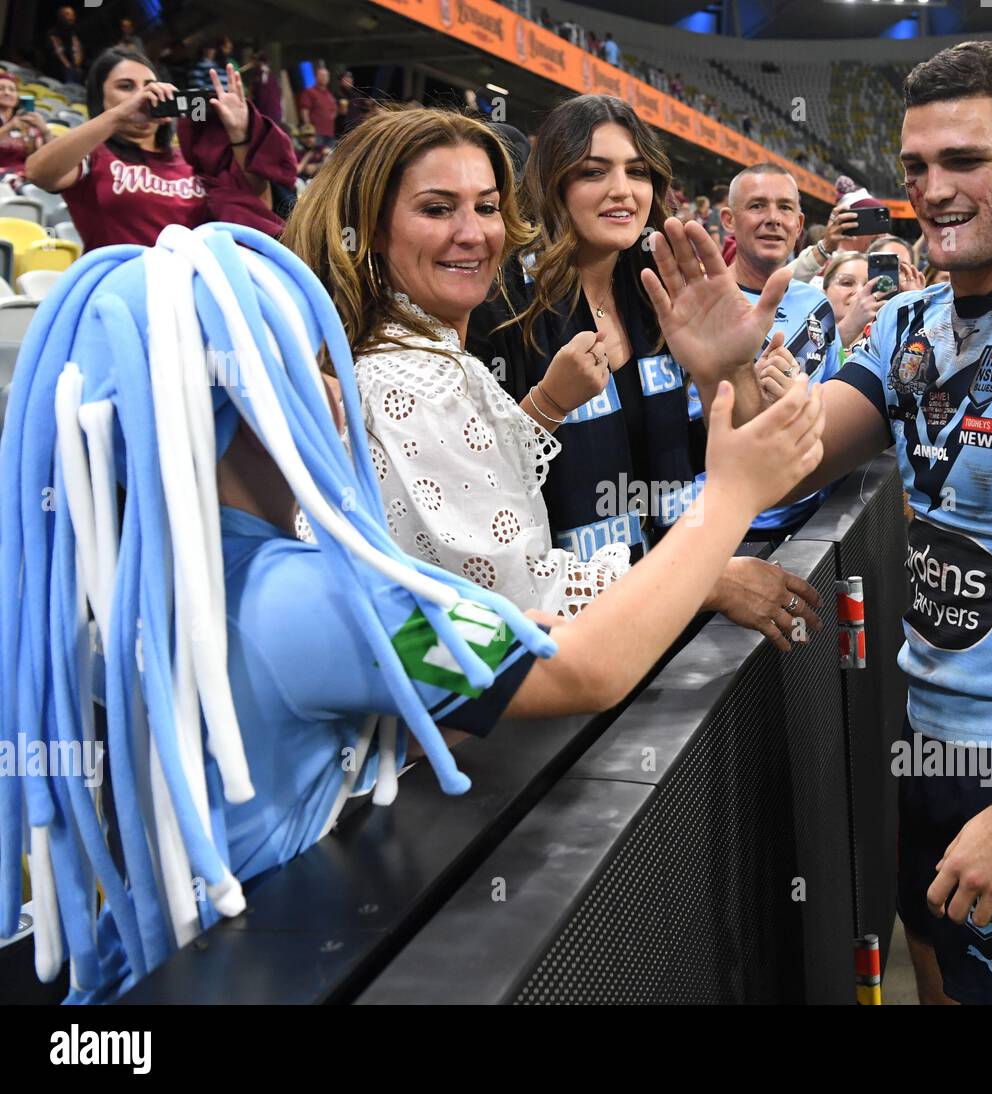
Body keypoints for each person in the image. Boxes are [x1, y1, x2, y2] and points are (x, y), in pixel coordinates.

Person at [1, 218, 823, 1003]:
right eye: (308, 365)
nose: (336, 387)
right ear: (242, 402)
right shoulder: (310, 594)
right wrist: (726, 505)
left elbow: (490, 662)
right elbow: (581, 667)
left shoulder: (120, 584)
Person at [642, 39, 992, 1005]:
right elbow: (795, 464)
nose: (933, 189)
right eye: (916, 166)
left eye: (965, 161)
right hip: (927, 739)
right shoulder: (912, 325)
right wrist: (725, 369)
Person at [471, 95, 821, 648]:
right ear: (552, 184)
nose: (622, 190)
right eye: (593, 171)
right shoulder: (501, 303)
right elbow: (478, 496)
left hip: (672, 626)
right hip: (564, 645)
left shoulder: (660, 289)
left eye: (637, 172)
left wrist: (729, 367)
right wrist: (708, 581)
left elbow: (745, 451)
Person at [284, 107, 631, 617]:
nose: (473, 234)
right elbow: (527, 609)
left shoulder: (399, 348)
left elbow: (460, 483)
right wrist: (703, 576)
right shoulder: (412, 379)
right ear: (372, 229)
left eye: (487, 207)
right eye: (437, 209)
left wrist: (550, 403)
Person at [693, 162, 843, 535]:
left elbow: (838, 404)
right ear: (728, 219)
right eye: (757, 206)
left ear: (799, 223)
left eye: (785, 208)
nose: (773, 219)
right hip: (721, 528)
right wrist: (744, 392)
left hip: (808, 520)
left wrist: (799, 399)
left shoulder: (817, 304)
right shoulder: (698, 306)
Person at [24, 48, 295, 251]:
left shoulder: (191, 160)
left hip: (185, 299)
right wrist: (120, 114)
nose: (143, 95)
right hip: (121, 291)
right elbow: (38, 171)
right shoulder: (94, 155)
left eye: (149, 86)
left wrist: (239, 134)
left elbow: (258, 209)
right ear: (100, 97)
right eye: (125, 87)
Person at [0, 71, 49, 180]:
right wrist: (9, 126)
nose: (7, 93)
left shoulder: (26, 124)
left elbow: (41, 157)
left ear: (18, 98)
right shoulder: (13, 123)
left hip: (24, 176)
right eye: (1, 89)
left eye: (12, 90)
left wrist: (44, 131)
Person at [297, 65, 337, 147]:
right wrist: (308, 129)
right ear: (316, 77)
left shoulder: (329, 94)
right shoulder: (309, 92)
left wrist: (331, 117)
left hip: (329, 133)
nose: (324, 78)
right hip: (316, 133)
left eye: (326, 76)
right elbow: (305, 110)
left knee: (329, 158)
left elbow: (334, 110)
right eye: (321, 75)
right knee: (316, 157)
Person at [47, 5, 85, 84]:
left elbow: (78, 48)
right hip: (59, 70)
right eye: (68, 14)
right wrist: (69, 67)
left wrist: (77, 65)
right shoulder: (54, 32)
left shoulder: (75, 31)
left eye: (72, 14)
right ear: (61, 16)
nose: (72, 17)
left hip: (75, 68)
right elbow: (58, 51)